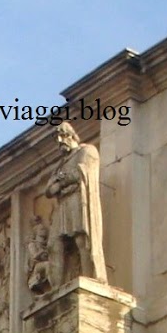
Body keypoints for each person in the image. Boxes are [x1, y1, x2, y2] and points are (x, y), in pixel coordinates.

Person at [45, 122, 107, 285]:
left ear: (71, 135)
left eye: (62, 136)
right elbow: (49, 190)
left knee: (82, 239)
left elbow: (81, 172)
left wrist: (60, 181)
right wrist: (61, 182)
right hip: (63, 205)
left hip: (79, 200)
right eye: (57, 138)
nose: (60, 141)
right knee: (54, 245)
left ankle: (90, 278)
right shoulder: (60, 164)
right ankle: (56, 288)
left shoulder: (87, 151)